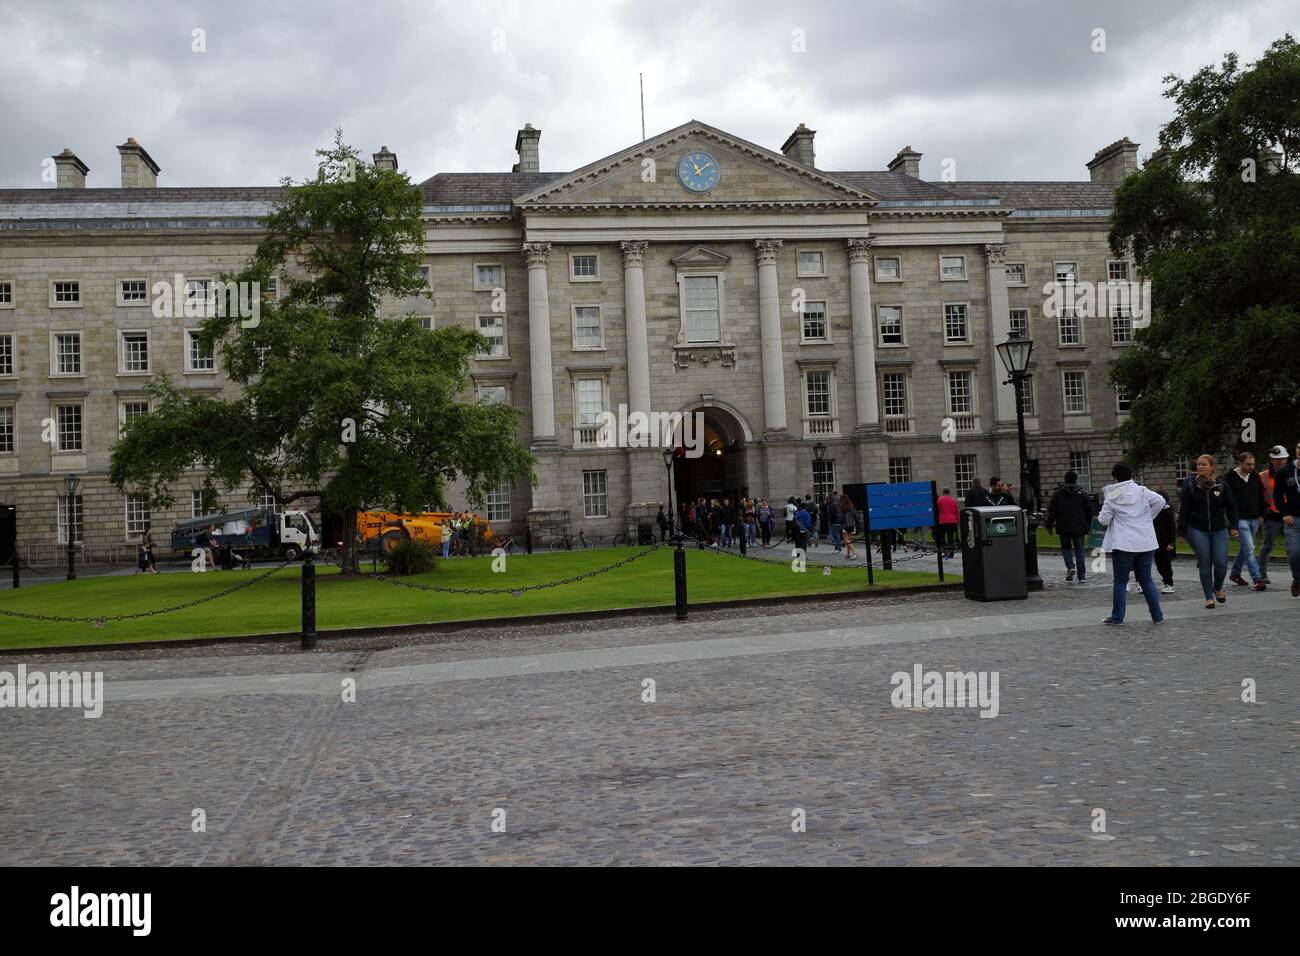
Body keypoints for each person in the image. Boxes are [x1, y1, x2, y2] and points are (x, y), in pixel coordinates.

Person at [1096, 462, 1165, 626]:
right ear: (1132, 476)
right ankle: (1157, 616)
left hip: (1124, 542)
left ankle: (1118, 617)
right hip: (1146, 541)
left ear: (1115, 477)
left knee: (1120, 581)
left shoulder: (1112, 495)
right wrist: (1148, 518)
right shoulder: (1141, 490)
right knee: (1146, 579)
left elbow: (1103, 520)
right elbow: (1160, 501)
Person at [1178, 454, 1240, 609]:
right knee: (1205, 562)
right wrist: (1181, 532)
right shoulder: (1191, 485)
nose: (1200, 467)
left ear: (1212, 466)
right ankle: (1208, 596)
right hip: (1198, 529)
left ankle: (1218, 588)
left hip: (1219, 529)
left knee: (1221, 563)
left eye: (1203, 464)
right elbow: (1184, 509)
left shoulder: (1221, 484)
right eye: (1198, 464)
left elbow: (1232, 507)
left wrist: (1234, 527)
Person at [1224, 451, 1267, 590]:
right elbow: (1227, 501)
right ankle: (1257, 578)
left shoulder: (1255, 476)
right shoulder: (1230, 477)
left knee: (1245, 548)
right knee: (1249, 548)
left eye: (1253, 464)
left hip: (1255, 518)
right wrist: (1232, 524)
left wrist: (1262, 514)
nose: (1251, 467)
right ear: (1240, 463)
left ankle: (1235, 574)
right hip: (1239, 519)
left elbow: (1261, 495)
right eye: (1248, 464)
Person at [1046, 471, 1093, 582]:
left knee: (1066, 548)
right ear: (1076, 480)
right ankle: (1081, 576)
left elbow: (1052, 511)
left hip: (1064, 526)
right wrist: (1088, 525)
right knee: (1080, 550)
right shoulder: (1082, 493)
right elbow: (1089, 511)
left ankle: (1070, 567)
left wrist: (1049, 525)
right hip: (1079, 526)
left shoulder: (1058, 494)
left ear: (1065, 480)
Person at [1257, 445, 1289, 584]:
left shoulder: (1292, 473)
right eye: (1277, 459)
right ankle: (1261, 573)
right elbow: (1257, 497)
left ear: (1287, 459)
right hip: (1271, 516)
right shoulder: (1262, 476)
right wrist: (1264, 511)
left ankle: (1296, 575)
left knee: (1293, 546)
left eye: (1282, 459)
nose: (1280, 461)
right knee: (1267, 545)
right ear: (1271, 460)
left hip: (1289, 515)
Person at [1274, 440, 1300, 597]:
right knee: (1294, 552)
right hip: (1293, 519)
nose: (1299, 450)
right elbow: (1277, 494)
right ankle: (1297, 579)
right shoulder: (1285, 471)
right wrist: (1284, 514)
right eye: (1298, 448)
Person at [1152, 491, 1177, 593]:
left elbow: (1172, 529)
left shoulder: (1168, 513)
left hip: (1166, 543)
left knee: (1166, 564)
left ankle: (1169, 583)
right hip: (1156, 542)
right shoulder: (1154, 512)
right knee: (1159, 564)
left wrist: (1171, 543)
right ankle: (1165, 580)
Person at [936, 488, 959, 558]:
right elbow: (956, 511)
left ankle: (946, 549)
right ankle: (951, 553)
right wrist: (957, 521)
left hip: (942, 521)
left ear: (943, 492)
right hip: (952, 521)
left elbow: (937, 511)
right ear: (949, 492)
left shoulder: (939, 500)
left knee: (940, 537)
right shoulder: (953, 500)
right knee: (950, 537)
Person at [838, 494, 858, 560]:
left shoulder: (841, 506)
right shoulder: (851, 505)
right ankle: (848, 554)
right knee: (849, 540)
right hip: (851, 524)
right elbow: (855, 514)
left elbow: (840, 517)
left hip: (845, 525)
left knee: (846, 540)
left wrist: (841, 523)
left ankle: (854, 553)